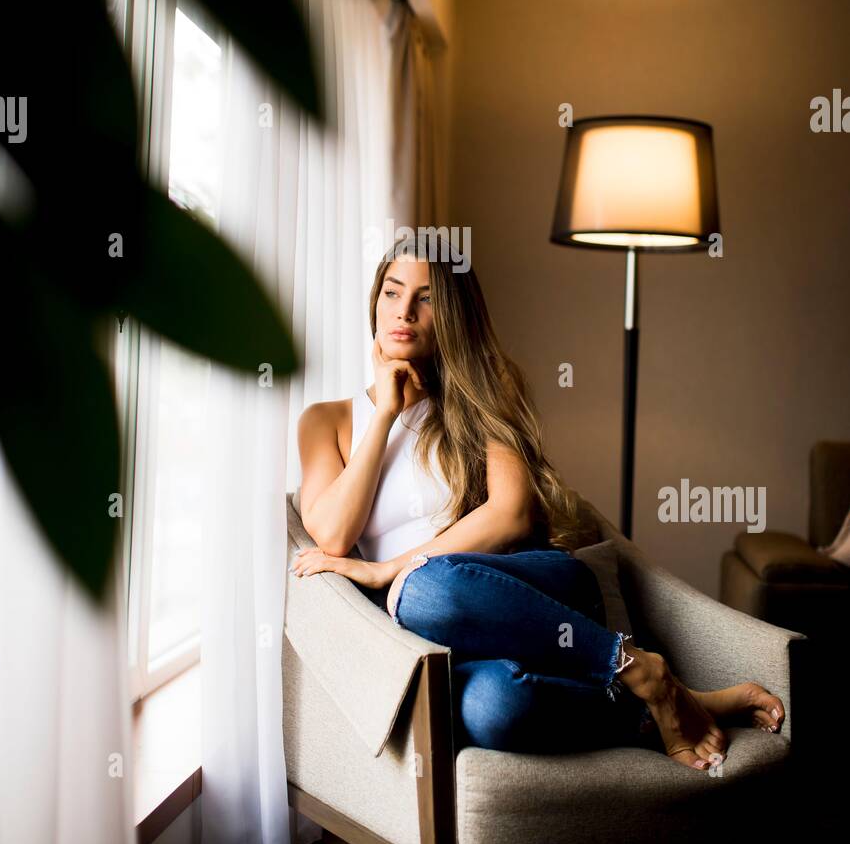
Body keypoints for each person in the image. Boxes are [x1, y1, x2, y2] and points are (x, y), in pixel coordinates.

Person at [294, 236, 785, 768]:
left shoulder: (484, 392)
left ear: (453, 313)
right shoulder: (328, 421)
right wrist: (385, 414)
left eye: (427, 298)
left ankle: (631, 665)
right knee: (496, 708)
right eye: (392, 293)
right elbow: (333, 537)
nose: (404, 312)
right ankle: (666, 701)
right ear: (375, 301)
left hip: (532, 592)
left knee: (426, 587)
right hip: (442, 641)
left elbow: (513, 513)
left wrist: (389, 571)